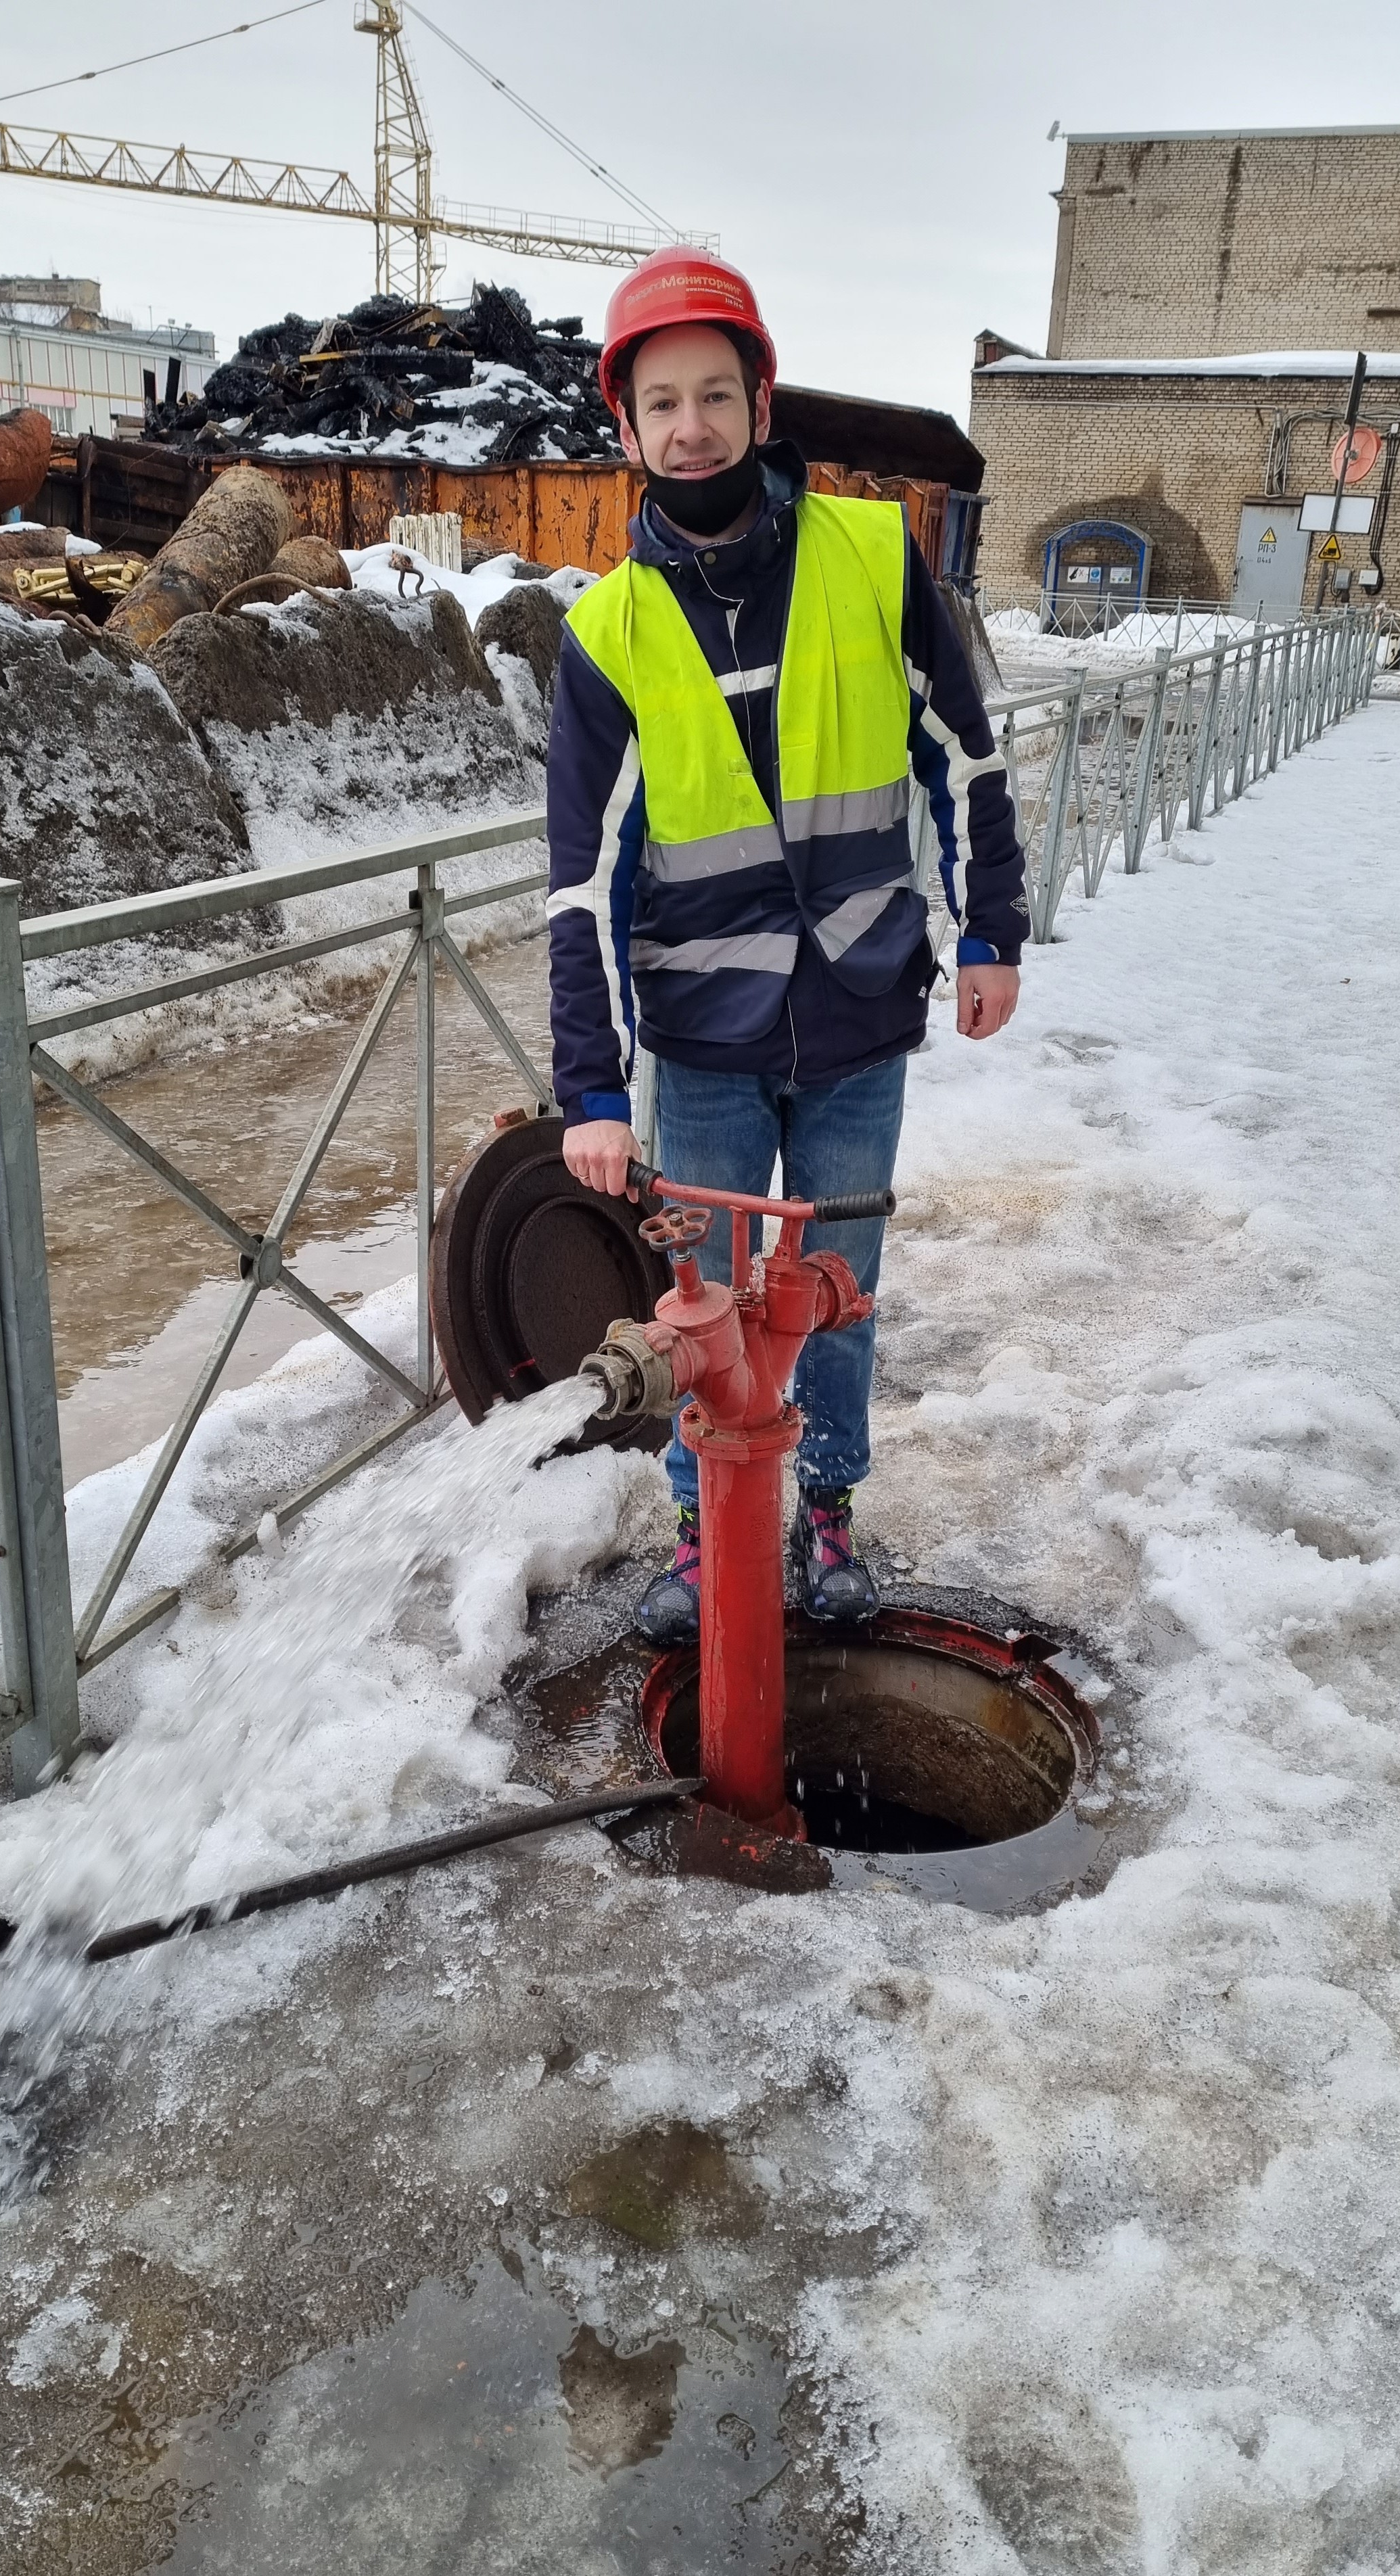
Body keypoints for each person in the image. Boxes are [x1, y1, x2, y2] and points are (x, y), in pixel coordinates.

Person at [545, 249, 1026, 1645]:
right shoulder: (608, 635)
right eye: (660, 403)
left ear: (761, 400)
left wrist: (992, 923)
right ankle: (710, 1540)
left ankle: (824, 1516)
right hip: (699, 1050)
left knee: (834, 1297)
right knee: (703, 1311)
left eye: (713, 392)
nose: (688, 425)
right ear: (626, 431)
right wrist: (591, 1084)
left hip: (864, 1015)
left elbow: (967, 755)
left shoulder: (876, 560)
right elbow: (579, 880)